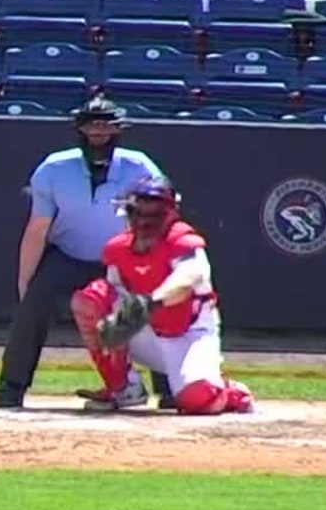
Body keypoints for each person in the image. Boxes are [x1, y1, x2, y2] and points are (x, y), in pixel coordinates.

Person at [0, 97, 174, 411]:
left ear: (119, 130)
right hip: (68, 255)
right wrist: (26, 284)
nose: (99, 133)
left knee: (152, 307)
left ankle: (169, 388)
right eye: (93, 126)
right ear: (80, 130)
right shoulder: (54, 168)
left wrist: (156, 267)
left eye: (106, 126)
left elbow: (162, 218)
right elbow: (37, 228)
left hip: (123, 258)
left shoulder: (139, 166)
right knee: (32, 306)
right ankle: (11, 388)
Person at [69, 178, 255, 415]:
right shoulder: (117, 249)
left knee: (197, 400)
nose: (145, 222)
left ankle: (229, 392)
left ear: (169, 214)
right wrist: (120, 318)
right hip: (145, 333)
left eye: (153, 214)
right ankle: (123, 388)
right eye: (139, 213)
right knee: (91, 299)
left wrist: (151, 302)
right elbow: (110, 293)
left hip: (188, 334)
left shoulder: (183, 241)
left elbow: (188, 278)